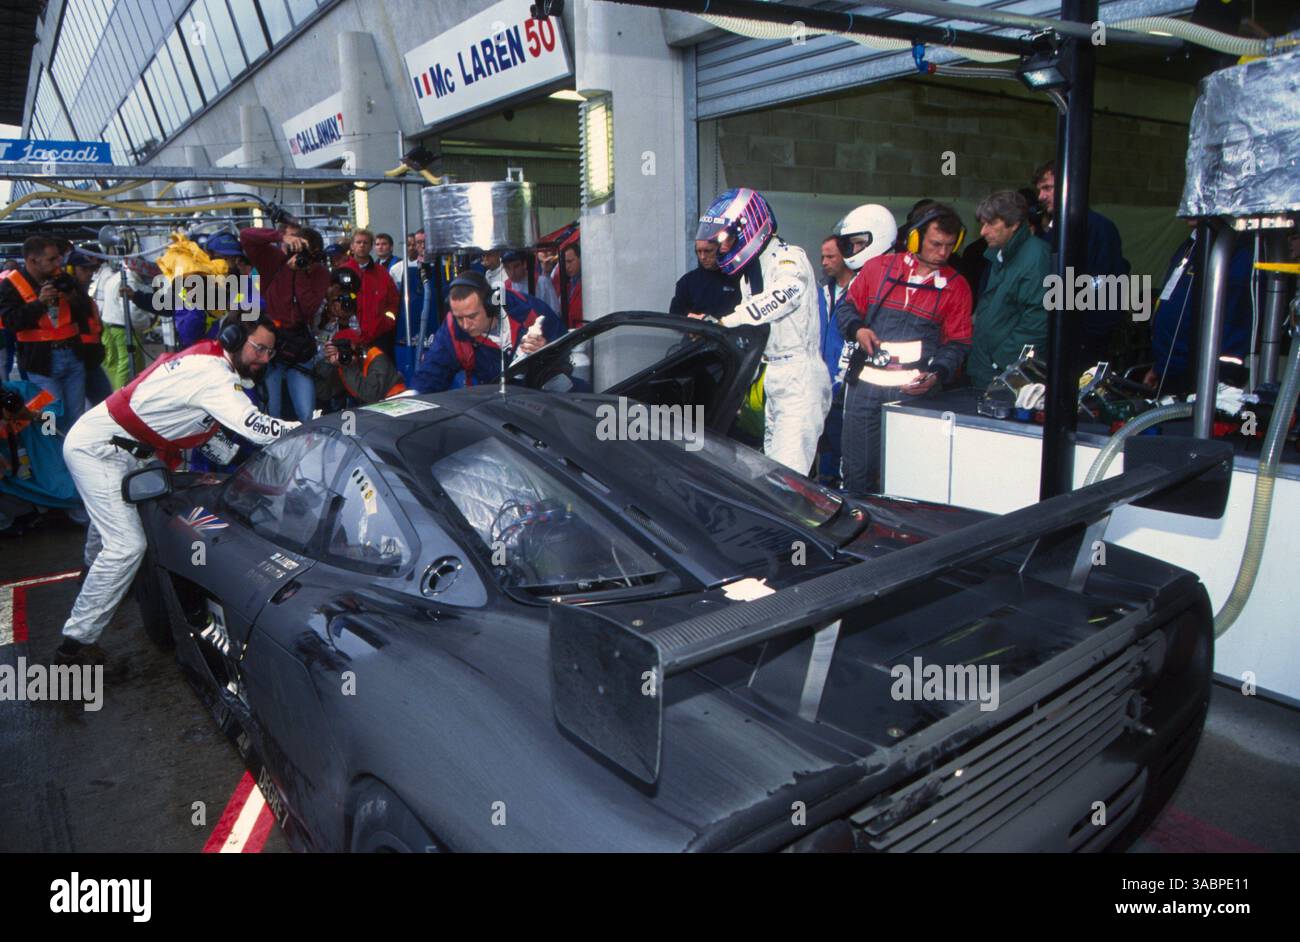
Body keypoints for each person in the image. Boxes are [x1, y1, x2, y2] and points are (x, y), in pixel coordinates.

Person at [56, 317, 298, 670]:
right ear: (232, 339)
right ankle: (73, 646)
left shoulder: (212, 366)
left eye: (269, 352)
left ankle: (91, 579)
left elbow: (222, 448)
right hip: (100, 449)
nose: (263, 358)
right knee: (126, 546)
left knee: (108, 524)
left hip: (128, 449)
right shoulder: (212, 374)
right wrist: (312, 426)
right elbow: (256, 427)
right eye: (258, 348)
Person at [834, 203, 972, 494]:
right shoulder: (877, 269)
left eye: (950, 246)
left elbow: (958, 343)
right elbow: (845, 310)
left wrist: (936, 373)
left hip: (914, 398)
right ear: (915, 238)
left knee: (906, 479)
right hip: (864, 392)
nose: (943, 253)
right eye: (936, 244)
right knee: (857, 477)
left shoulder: (957, 288)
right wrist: (858, 329)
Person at [694, 187, 829, 474]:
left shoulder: (789, 258)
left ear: (750, 227)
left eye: (727, 239)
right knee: (770, 474)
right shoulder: (750, 276)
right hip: (770, 380)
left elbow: (785, 294)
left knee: (788, 481)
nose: (724, 247)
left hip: (799, 380)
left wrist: (725, 323)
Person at [817, 207, 897, 484]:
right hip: (848, 386)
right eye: (850, 244)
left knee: (870, 466)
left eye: (859, 244)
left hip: (884, 391)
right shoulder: (843, 285)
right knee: (845, 462)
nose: (853, 250)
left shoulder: (893, 280)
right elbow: (845, 320)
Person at [1033, 160, 1131, 366]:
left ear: (1069, 186)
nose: (1041, 196)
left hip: (1083, 344)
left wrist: (1086, 340)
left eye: (1047, 188)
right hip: (1051, 340)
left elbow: (1108, 286)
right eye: (1040, 190)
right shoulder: (1050, 232)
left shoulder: (1098, 228)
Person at [1142, 221, 1255, 397]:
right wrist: (1161, 366)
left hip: (1204, 377)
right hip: (1172, 369)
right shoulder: (1192, 243)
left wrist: (1221, 375)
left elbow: (1234, 317)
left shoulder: (1233, 248)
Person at [413, 271, 563, 393]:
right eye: (459, 317)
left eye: (472, 316)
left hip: (542, 398)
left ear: (490, 305)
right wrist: (414, 398)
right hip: (494, 406)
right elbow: (431, 374)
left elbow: (568, 353)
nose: (465, 325)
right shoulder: (452, 329)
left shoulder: (530, 311)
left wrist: (546, 351)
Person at [239, 225, 330, 421]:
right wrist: (280, 236)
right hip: (270, 343)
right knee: (271, 411)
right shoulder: (274, 259)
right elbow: (246, 235)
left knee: (307, 412)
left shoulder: (319, 273)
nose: (300, 252)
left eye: (305, 249)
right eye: (297, 247)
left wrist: (300, 273)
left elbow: (309, 308)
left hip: (298, 346)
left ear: (315, 253)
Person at [0, 237, 93, 430]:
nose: (57, 263)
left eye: (58, 258)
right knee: (50, 417)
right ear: (33, 260)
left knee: (77, 417)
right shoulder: (10, 285)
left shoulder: (63, 279)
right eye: (51, 259)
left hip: (72, 356)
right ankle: (52, 456)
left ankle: (74, 455)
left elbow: (87, 309)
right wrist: (39, 303)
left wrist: (73, 298)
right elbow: (11, 322)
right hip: (41, 363)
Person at [966, 190, 1052, 391]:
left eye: (991, 224)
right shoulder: (999, 255)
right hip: (988, 369)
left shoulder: (1036, 258)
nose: (982, 232)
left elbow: (1037, 323)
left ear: (1014, 224)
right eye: (982, 223)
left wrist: (1002, 362)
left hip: (1009, 377)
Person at [338, 228, 401, 355]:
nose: (362, 245)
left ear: (371, 246)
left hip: (380, 337)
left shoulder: (382, 272)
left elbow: (393, 300)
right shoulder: (341, 272)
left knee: (381, 373)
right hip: (350, 337)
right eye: (358, 242)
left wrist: (387, 322)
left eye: (365, 243)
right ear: (352, 246)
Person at [314, 328, 406, 405]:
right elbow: (324, 393)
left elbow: (371, 395)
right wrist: (327, 363)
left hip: (396, 401)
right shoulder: (342, 363)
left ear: (359, 346)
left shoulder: (376, 358)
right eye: (340, 349)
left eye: (347, 347)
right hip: (375, 407)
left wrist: (348, 367)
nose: (344, 352)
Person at [66, 250, 109, 406]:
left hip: (90, 358)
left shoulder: (82, 294)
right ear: (70, 270)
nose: (89, 273)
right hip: (78, 358)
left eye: (91, 269)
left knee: (103, 402)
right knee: (76, 408)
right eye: (84, 269)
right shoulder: (68, 295)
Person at [669, 239, 740, 319]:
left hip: (728, 329)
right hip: (695, 330)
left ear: (721, 250)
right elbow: (675, 317)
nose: (703, 257)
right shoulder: (687, 282)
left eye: (708, 251)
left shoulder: (739, 278)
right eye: (699, 251)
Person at [504, 249, 562, 314]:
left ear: (524, 264)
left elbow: (555, 312)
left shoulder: (543, 283)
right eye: (507, 268)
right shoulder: (505, 287)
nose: (512, 272)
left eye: (516, 266)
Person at [558, 244, 584, 329]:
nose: (566, 266)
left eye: (569, 261)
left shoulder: (587, 284)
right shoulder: (568, 286)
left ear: (580, 259)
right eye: (564, 263)